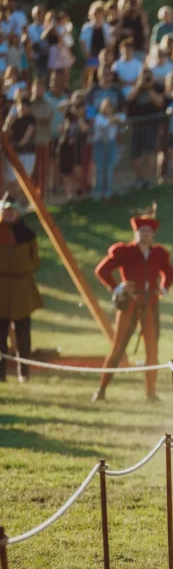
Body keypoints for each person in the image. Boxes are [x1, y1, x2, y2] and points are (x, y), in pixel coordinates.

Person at [92, 208, 173, 402]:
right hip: (129, 304)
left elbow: (169, 273)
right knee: (118, 347)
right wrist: (117, 288)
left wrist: (163, 289)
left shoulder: (159, 254)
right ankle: (102, 389)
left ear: (153, 234)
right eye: (142, 231)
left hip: (151, 304)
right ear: (135, 233)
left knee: (152, 349)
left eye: (148, 231)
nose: (145, 234)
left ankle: (151, 393)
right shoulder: (125, 252)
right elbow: (102, 270)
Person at [0, 197, 43, 383]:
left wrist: (21, 269)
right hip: (0, 289)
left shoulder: (28, 234)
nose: (9, 213)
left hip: (22, 290)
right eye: (6, 210)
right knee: (0, 335)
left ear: (18, 212)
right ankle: (0, 374)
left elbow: (34, 261)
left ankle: (23, 372)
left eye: (12, 210)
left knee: (23, 334)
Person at [2, 88, 36, 197]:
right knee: (11, 179)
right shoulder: (13, 119)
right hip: (14, 153)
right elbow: (5, 133)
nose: (23, 108)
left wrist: (20, 144)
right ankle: (11, 199)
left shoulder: (31, 119)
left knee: (25, 179)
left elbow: (28, 134)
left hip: (27, 152)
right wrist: (8, 122)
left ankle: (20, 201)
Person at [91, 98, 124, 199]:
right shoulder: (98, 117)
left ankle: (108, 191)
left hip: (111, 143)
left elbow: (122, 119)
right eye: (105, 107)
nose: (107, 109)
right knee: (100, 168)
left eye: (109, 107)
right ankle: (98, 191)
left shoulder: (117, 116)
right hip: (99, 144)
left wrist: (113, 118)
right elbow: (105, 124)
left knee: (109, 167)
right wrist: (112, 119)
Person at [80, 1, 112, 87]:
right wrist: (87, 55)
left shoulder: (106, 27)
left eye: (99, 13)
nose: (97, 16)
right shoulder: (87, 27)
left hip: (103, 56)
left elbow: (109, 42)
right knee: (89, 75)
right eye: (95, 13)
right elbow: (82, 42)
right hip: (92, 54)